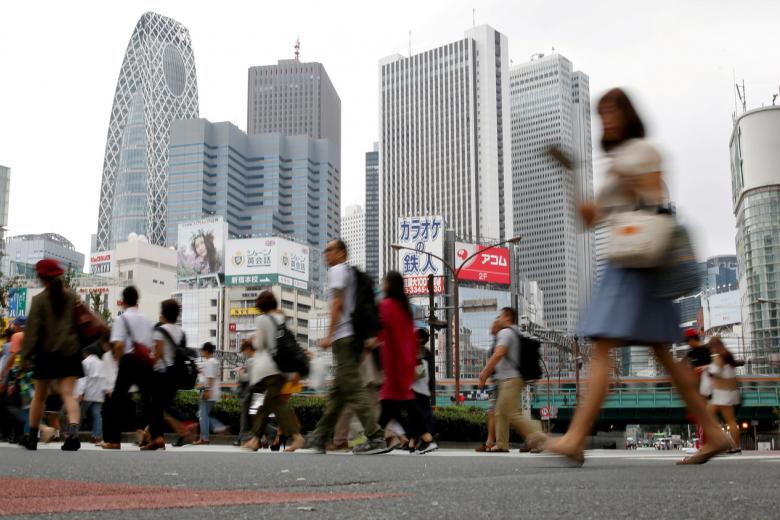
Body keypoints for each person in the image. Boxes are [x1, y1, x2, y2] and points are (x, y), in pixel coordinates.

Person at [544, 88, 729, 466]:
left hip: (635, 262)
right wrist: (572, 176)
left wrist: (621, 174)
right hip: (629, 260)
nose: (606, 119)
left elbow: (655, 194)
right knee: (662, 353)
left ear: (628, 114)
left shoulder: (641, 152)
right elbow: (589, 218)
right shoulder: (618, 160)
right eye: (602, 114)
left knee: (603, 346)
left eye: (612, 112)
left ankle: (575, 438)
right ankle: (713, 433)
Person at [305, 239, 388, 455]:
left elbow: (337, 304)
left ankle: (375, 436)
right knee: (339, 392)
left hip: (343, 336)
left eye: (330, 250)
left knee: (352, 388)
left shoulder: (337, 271)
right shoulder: (350, 273)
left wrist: (329, 335)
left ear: (342, 253)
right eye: (325, 250)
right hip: (353, 337)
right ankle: (320, 437)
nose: (326, 254)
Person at [19, 259, 84, 451]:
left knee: (39, 396)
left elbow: (32, 333)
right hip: (70, 351)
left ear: (41, 278)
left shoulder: (39, 301)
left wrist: (25, 357)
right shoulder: (72, 298)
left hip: (46, 354)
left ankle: (31, 437)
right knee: (68, 395)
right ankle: (73, 435)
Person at [241, 290, 304, 452]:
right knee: (266, 404)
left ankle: (296, 436)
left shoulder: (261, 319)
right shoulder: (280, 319)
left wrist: (253, 339)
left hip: (267, 370)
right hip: (282, 369)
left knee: (274, 404)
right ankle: (255, 439)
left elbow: (261, 345)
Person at [374, 271, 430, 453]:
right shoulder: (405, 308)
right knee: (394, 405)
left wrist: (370, 344)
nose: (382, 284)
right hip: (405, 361)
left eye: (384, 281)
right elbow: (410, 337)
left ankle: (374, 439)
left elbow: (381, 332)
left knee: (396, 403)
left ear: (389, 284)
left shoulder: (387, 305)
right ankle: (422, 436)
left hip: (394, 362)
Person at [478, 307, 546, 453]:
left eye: (500, 316)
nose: (498, 319)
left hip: (510, 379)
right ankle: (502, 444)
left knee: (511, 413)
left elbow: (499, 353)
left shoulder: (505, 332)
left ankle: (538, 436)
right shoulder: (513, 332)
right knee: (501, 412)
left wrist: (485, 372)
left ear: (508, 318)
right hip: (509, 379)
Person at [101, 286, 156, 450]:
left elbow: (118, 344)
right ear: (137, 300)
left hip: (129, 360)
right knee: (148, 400)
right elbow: (151, 344)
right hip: (145, 361)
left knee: (116, 401)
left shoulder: (122, 319)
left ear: (123, 301)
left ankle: (114, 440)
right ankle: (150, 437)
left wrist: (119, 360)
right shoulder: (146, 319)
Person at [707, 337, 742, 454]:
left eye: (711, 347)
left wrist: (705, 368)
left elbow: (713, 371)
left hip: (722, 393)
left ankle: (725, 444)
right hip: (729, 392)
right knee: (729, 421)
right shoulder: (728, 355)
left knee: (708, 416)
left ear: (715, 346)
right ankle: (733, 445)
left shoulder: (720, 357)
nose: (710, 350)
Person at [410, 328, 437, 453]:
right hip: (423, 389)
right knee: (422, 416)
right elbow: (430, 374)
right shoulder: (426, 352)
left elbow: (419, 372)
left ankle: (421, 440)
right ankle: (415, 441)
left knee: (419, 415)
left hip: (418, 389)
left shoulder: (420, 351)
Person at [683, 329, 711, 448]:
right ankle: (704, 441)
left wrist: (701, 368)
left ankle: (704, 443)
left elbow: (713, 366)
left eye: (688, 341)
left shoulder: (705, 350)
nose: (688, 343)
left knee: (701, 415)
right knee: (695, 415)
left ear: (694, 339)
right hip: (694, 388)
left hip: (704, 386)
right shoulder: (690, 354)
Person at [476, 319, 500, 452]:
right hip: (496, 380)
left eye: (494, 324)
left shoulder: (500, 340)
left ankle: (490, 442)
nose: (491, 326)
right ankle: (491, 442)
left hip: (499, 380)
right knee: (495, 412)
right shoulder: (496, 341)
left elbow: (497, 359)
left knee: (496, 412)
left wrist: (484, 374)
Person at [75, 345, 107, 444]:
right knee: (97, 415)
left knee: (78, 414)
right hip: (99, 394)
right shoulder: (102, 363)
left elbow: (82, 379)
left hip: (87, 393)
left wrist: (80, 393)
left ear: (86, 353)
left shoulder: (85, 363)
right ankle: (97, 436)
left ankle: (73, 433)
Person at [196, 342, 223, 444]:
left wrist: (207, 390)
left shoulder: (210, 362)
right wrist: (200, 371)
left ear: (206, 351)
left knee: (203, 415)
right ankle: (218, 427)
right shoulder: (214, 362)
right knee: (203, 414)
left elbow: (210, 377)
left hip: (209, 391)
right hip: (213, 391)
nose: (202, 352)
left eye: (202, 350)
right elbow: (210, 375)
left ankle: (204, 438)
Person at [235, 339, 256, 446]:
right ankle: (261, 439)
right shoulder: (259, 359)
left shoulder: (251, 361)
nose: (244, 353)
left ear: (248, 349)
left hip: (250, 392)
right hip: (258, 392)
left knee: (246, 417)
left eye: (244, 351)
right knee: (254, 416)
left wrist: (241, 373)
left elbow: (249, 378)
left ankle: (243, 438)